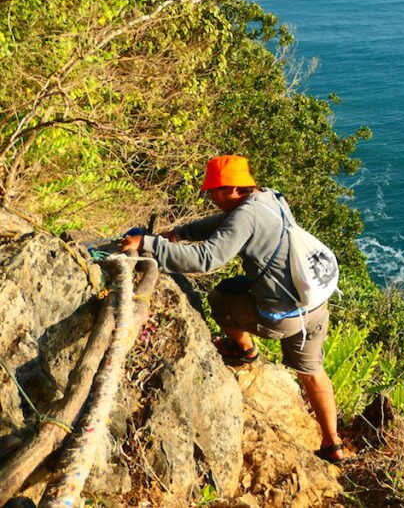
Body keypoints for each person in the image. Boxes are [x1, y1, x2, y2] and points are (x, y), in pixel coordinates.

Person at [120, 155, 351, 465]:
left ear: (228, 190)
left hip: (278, 317)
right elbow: (228, 223)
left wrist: (150, 244)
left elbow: (205, 260)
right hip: (312, 305)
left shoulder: (244, 216)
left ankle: (243, 350)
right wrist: (180, 233)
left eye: (213, 192)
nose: (211, 198)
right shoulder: (269, 197)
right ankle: (332, 443)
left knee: (220, 297)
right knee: (312, 372)